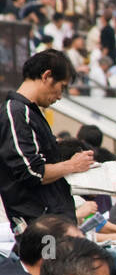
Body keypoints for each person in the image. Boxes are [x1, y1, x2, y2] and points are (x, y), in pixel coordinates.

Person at [0, 50, 91, 227]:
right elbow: (32, 171)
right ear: (47, 76)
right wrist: (72, 165)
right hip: (39, 225)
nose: (59, 96)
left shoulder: (30, 113)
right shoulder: (16, 112)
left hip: (54, 221)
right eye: (62, 87)